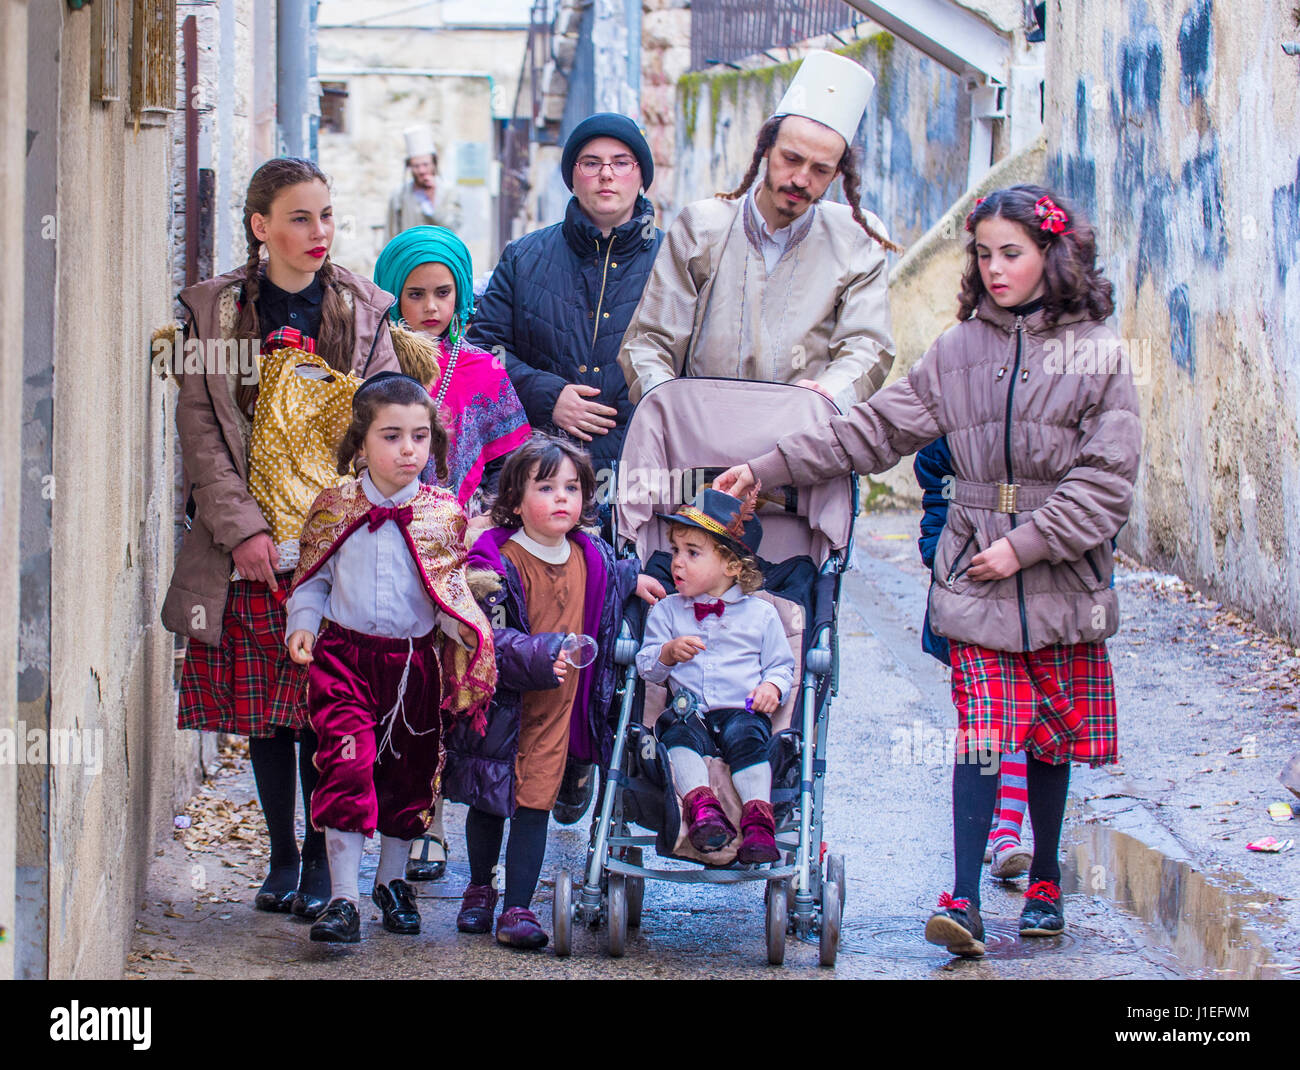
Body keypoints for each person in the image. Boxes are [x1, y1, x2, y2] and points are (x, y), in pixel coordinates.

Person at [715, 185, 1141, 956]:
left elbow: (1108, 479)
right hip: (974, 568)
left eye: (1011, 251)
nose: (994, 267)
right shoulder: (959, 350)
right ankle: (965, 899)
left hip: (1062, 571)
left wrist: (1030, 541)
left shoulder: (1098, 352)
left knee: (1045, 736)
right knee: (982, 732)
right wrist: (769, 465)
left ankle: (1044, 876)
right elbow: (876, 430)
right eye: (982, 253)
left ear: (1053, 252)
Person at [162, 157, 400, 922]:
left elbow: (387, 417)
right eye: (300, 217)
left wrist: (355, 523)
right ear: (262, 228)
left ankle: (326, 863)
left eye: (326, 215)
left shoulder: (362, 310)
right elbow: (200, 431)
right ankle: (281, 856)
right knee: (272, 711)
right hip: (255, 547)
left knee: (326, 709)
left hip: (340, 540)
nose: (318, 231)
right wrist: (244, 533)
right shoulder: (218, 314)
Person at [468, 112, 665, 822]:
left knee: (624, 618)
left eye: (621, 162)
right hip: (547, 475)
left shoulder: (675, 262)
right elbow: (481, 349)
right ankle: (534, 763)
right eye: (590, 163)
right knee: (544, 614)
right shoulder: (526, 258)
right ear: (572, 177)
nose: (606, 175)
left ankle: (594, 758)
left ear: (641, 175)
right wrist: (551, 394)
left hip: (641, 471)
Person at [284, 372, 497, 943]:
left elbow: (445, 590)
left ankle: (391, 881)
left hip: (412, 669)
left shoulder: (442, 514)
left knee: (408, 776)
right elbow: (311, 579)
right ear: (360, 443)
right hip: (345, 662)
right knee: (346, 769)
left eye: (420, 437)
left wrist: (468, 629)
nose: (409, 450)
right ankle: (343, 899)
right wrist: (302, 626)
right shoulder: (334, 508)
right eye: (392, 435)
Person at [441, 434, 665, 948]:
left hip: (559, 712)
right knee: (489, 798)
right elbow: (487, 633)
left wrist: (635, 581)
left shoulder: (592, 556)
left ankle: (518, 906)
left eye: (572, 487)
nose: (562, 498)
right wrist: (541, 655)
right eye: (546, 487)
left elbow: (611, 579)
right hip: (502, 709)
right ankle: (480, 887)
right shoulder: (492, 563)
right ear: (516, 500)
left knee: (535, 804)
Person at [373, 225, 531, 881]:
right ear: (395, 299)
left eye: (443, 293)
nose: (431, 307)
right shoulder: (376, 370)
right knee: (394, 689)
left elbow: (512, 469)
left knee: (444, 693)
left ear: (461, 297)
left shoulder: (484, 373)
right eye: (416, 294)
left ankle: (432, 822)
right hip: (385, 549)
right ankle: (404, 819)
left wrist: (483, 524)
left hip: (460, 558)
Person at [619, 50, 898, 412]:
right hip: (701, 437)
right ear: (766, 148)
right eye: (792, 159)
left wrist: (826, 395)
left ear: (837, 174)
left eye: (820, 169)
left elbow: (867, 345)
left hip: (805, 442)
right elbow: (650, 342)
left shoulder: (858, 238)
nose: (801, 179)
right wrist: (671, 408)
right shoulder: (701, 227)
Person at [635, 489, 796, 862]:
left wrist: (773, 686)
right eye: (675, 551)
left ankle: (758, 819)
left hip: (741, 710)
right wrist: (667, 653)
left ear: (732, 566)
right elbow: (646, 666)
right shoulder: (667, 612)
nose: (676, 563)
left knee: (750, 739)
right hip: (689, 713)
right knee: (675, 738)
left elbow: (781, 665)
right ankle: (702, 808)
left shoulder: (762, 615)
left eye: (692, 553)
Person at [915, 439, 1032, 880]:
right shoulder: (947, 442)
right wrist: (945, 554)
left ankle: (1007, 832)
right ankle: (991, 827)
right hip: (968, 590)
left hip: (1026, 583)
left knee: (1016, 715)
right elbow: (935, 502)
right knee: (983, 715)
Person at [388, 126, 463, 239]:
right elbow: (391, 232)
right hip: (409, 254)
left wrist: (433, 202)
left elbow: (452, 228)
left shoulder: (448, 192)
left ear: (433, 164)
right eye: (416, 166)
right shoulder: (400, 194)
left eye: (425, 164)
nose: (422, 171)